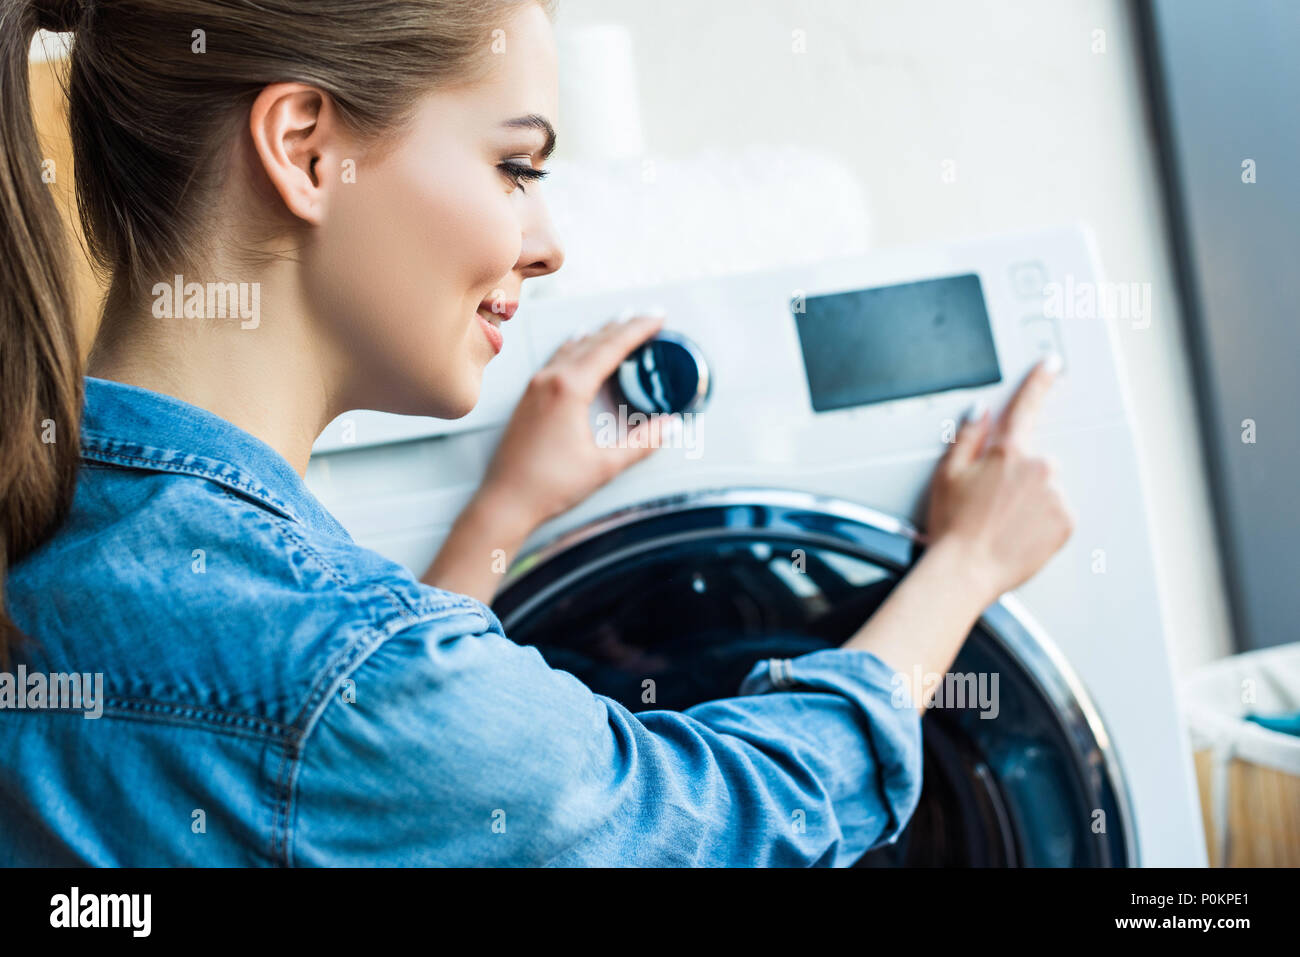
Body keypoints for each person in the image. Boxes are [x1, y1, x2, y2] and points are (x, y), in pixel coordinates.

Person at [0, 0, 1072, 866]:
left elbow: (363, 786)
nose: (548, 243)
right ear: (307, 150)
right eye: (516, 168)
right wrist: (963, 568)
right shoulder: (342, 668)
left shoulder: (60, 531)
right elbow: (736, 821)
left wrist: (504, 515)